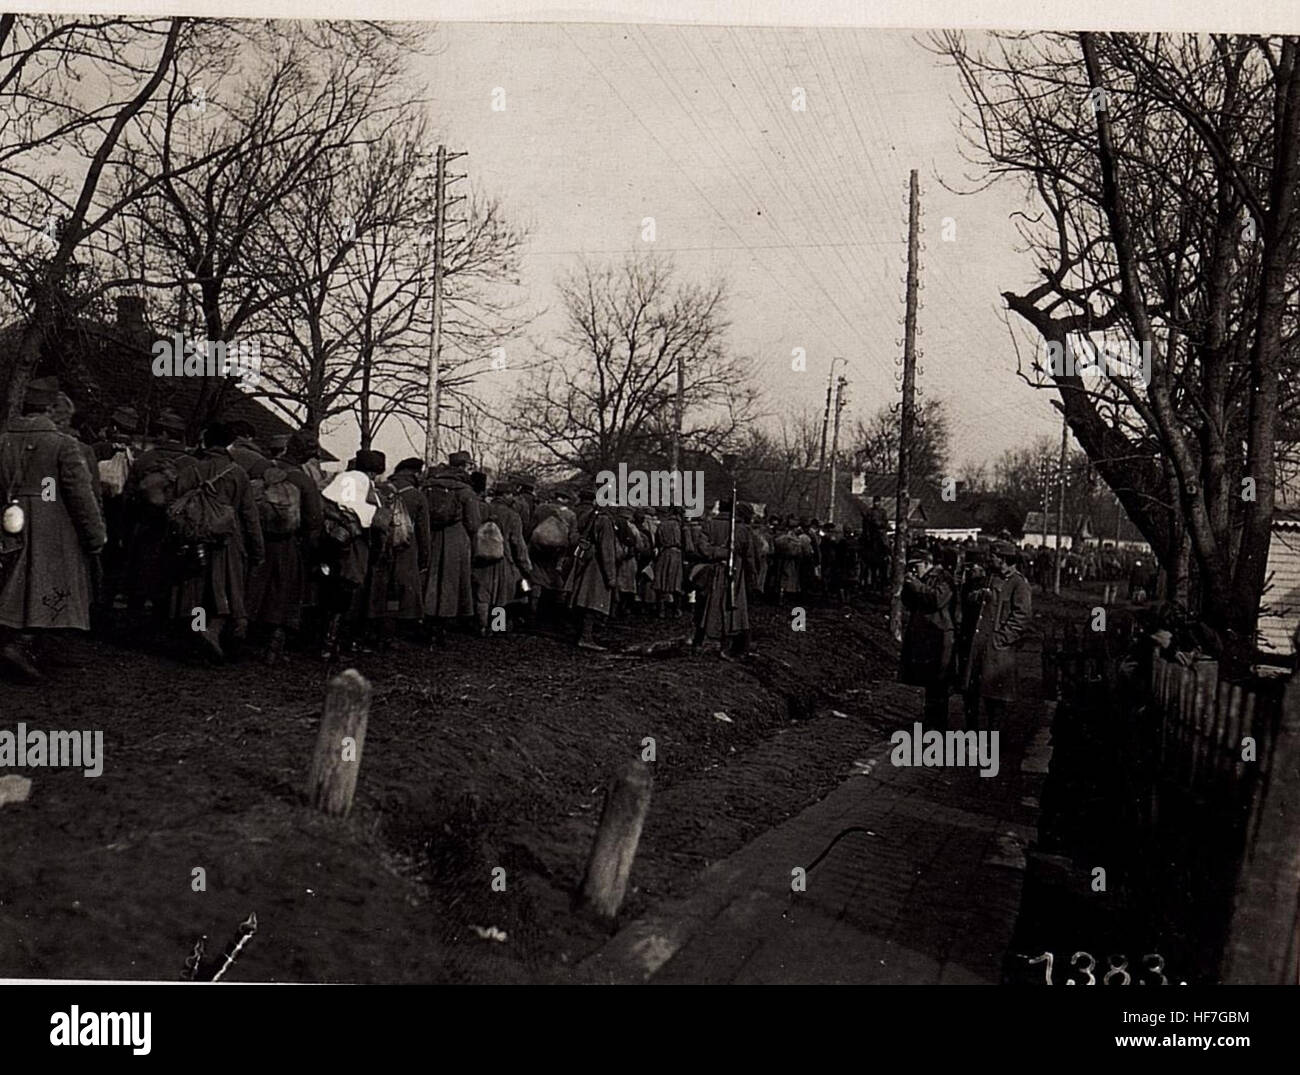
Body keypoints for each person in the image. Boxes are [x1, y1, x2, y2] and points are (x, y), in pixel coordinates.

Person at [0, 377, 107, 679]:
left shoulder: (4, 440)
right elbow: (80, 495)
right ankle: (23, 645)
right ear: (49, 408)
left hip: (12, 520)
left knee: (17, 584)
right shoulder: (63, 444)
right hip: (55, 527)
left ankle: (32, 649)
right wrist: (95, 536)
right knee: (49, 587)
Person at [167, 420, 264, 662]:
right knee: (225, 590)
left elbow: (177, 505)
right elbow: (250, 516)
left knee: (197, 589)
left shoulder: (192, 469)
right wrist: (257, 550)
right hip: (227, 541)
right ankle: (212, 632)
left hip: (194, 538)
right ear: (229, 443)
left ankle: (197, 633)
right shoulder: (237, 474)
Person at [246, 430, 323, 663]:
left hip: (254, 541)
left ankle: (238, 639)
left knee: (251, 589)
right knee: (283, 593)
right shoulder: (303, 480)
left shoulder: (260, 469)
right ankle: (273, 648)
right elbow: (313, 521)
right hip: (287, 545)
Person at [960, 539, 1032, 732]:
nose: (988, 559)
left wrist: (1001, 639)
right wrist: (977, 596)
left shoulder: (1019, 584)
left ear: (1002, 559)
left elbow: (1022, 617)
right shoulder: (989, 577)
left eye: (992, 556)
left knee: (995, 699)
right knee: (971, 694)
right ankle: (972, 736)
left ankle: (993, 743)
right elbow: (973, 601)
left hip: (998, 650)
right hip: (979, 646)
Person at [422, 450, 481, 642]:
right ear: (464, 466)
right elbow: (473, 523)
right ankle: (442, 627)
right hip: (456, 539)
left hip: (432, 537)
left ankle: (427, 622)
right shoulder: (465, 490)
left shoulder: (429, 485)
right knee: (450, 583)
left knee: (432, 579)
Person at [899, 547, 956, 730]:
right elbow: (908, 603)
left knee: (938, 683)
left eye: (917, 566)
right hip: (923, 636)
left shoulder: (943, 577)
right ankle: (930, 721)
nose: (915, 570)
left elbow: (937, 599)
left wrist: (915, 585)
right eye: (911, 567)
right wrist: (908, 586)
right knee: (927, 681)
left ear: (927, 563)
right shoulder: (920, 579)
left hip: (939, 635)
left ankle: (938, 725)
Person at [692, 499, 757, 659]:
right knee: (732, 608)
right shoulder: (743, 529)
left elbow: (702, 548)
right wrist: (752, 577)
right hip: (736, 572)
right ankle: (724, 644)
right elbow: (749, 557)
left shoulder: (709, 525)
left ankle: (700, 642)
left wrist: (715, 552)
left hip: (715, 571)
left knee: (707, 606)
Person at [566, 487, 618, 650]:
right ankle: (586, 637)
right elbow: (607, 550)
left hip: (585, 560)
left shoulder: (589, 515)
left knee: (583, 597)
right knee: (593, 600)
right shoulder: (605, 520)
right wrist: (611, 576)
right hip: (597, 565)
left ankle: (580, 633)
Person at [389, 457, 432, 638]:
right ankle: (496, 626)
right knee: (406, 588)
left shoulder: (383, 488)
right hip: (406, 547)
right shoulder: (416, 496)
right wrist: (425, 558)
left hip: (382, 546)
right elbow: (423, 532)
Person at [651, 505, 684, 618]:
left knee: (661, 581)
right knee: (676, 583)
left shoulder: (662, 525)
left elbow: (657, 541)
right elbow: (687, 544)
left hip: (664, 553)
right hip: (677, 554)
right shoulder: (681, 526)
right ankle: (677, 610)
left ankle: (661, 610)